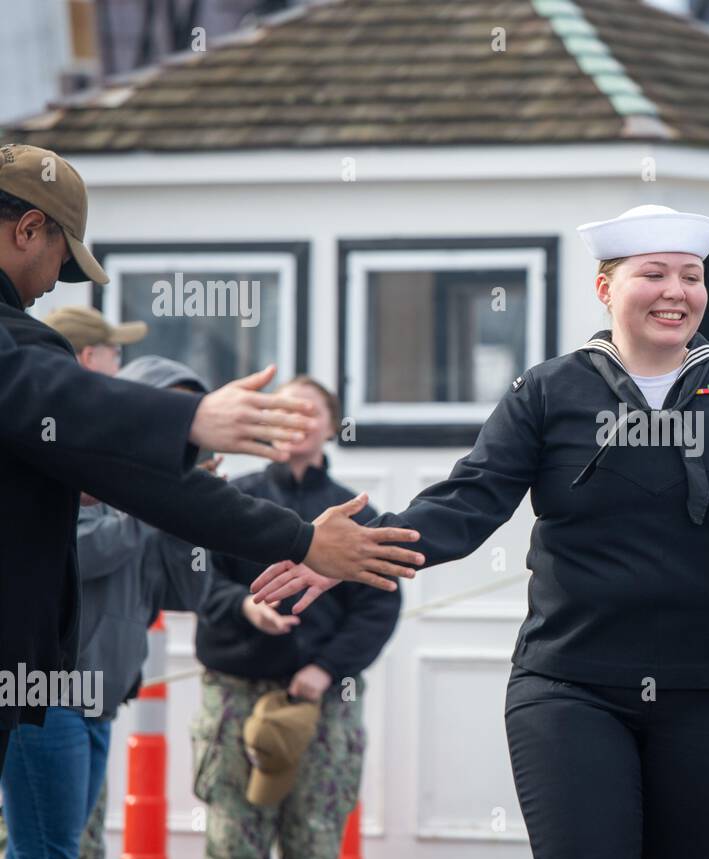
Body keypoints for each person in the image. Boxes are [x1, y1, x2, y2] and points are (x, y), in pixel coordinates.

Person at [250, 204, 709, 859]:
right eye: (652, 274)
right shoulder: (547, 392)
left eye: (691, 276)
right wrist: (346, 549)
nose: (675, 291)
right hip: (570, 688)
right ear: (604, 288)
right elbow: (466, 504)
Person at [0, 142, 423, 774]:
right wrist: (192, 420)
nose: (57, 284)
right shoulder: (23, 349)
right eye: (64, 261)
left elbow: (149, 485)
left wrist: (302, 537)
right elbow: (58, 404)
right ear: (29, 229)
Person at [1, 355, 215, 859]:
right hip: (47, 698)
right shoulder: (73, 479)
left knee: (49, 850)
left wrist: (193, 517)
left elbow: (186, 594)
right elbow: (88, 553)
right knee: (50, 853)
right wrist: (151, 500)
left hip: (100, 701)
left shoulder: (144, 507)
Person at [192, 376, 401, 859]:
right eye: (287, 410)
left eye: (312, 412)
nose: (299, 422)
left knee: (314, 846)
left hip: (322, 703)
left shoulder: (355, 515)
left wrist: (325, 669)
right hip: (234, 696)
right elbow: (196, 579)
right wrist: (245, 607)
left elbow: (379, 605)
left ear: (332, 427)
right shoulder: (228, 502)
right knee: (231, 849)